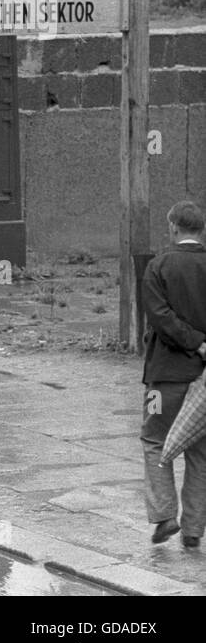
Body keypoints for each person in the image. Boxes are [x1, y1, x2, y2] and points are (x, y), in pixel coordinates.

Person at [140, 200, 206, 548]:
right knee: (200, 452)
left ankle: (165, 516)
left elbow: (160, 318)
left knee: (154, 441)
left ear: (173, 227)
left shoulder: (158, 267)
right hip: (204, 381)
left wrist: (194, 341)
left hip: (164, 378)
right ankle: (194, 529)